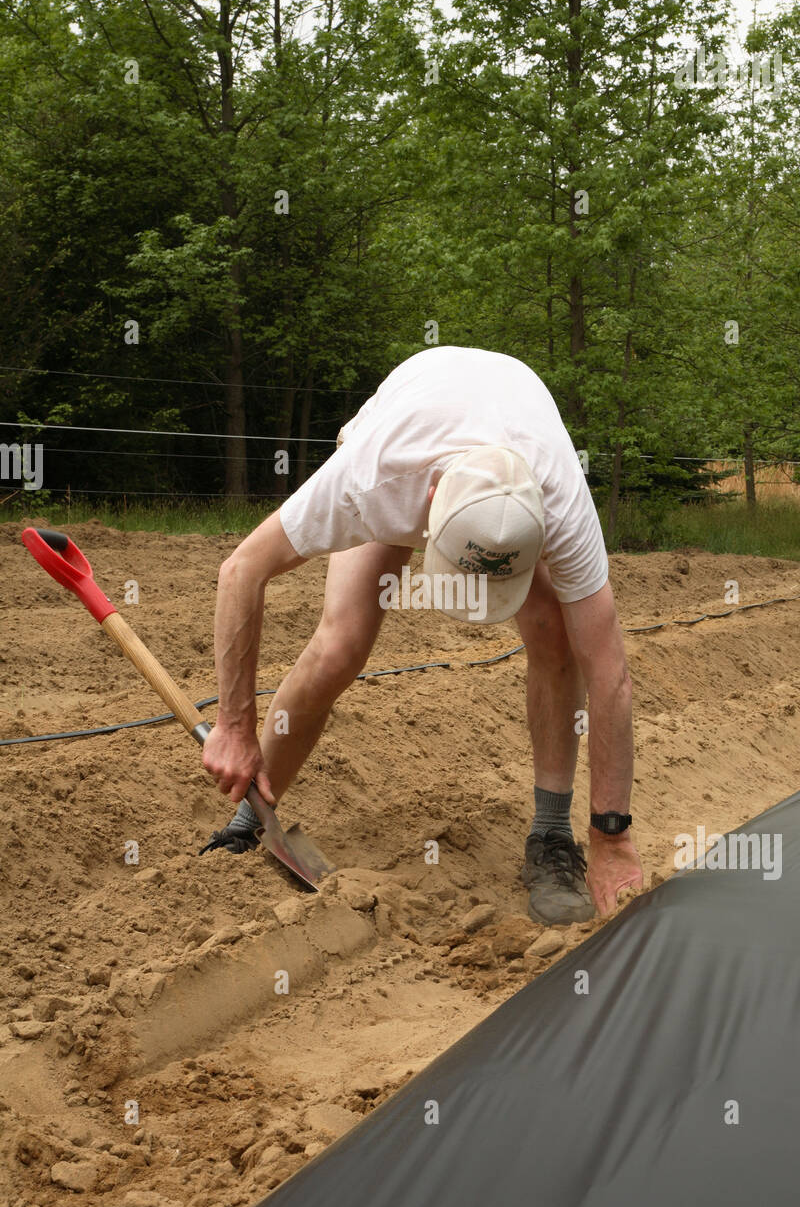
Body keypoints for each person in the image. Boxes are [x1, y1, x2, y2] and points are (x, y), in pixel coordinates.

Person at [201, 346, 643, 923]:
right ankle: (250, 821)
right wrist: (234, 726)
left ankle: (553, 837)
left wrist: (611, 834)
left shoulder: (560, 506)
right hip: (410, 430)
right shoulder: (373, 477)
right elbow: (241, 570)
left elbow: (608, 671)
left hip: (516, 435)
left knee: (554, 631)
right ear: (430, 508)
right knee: (341, 645)